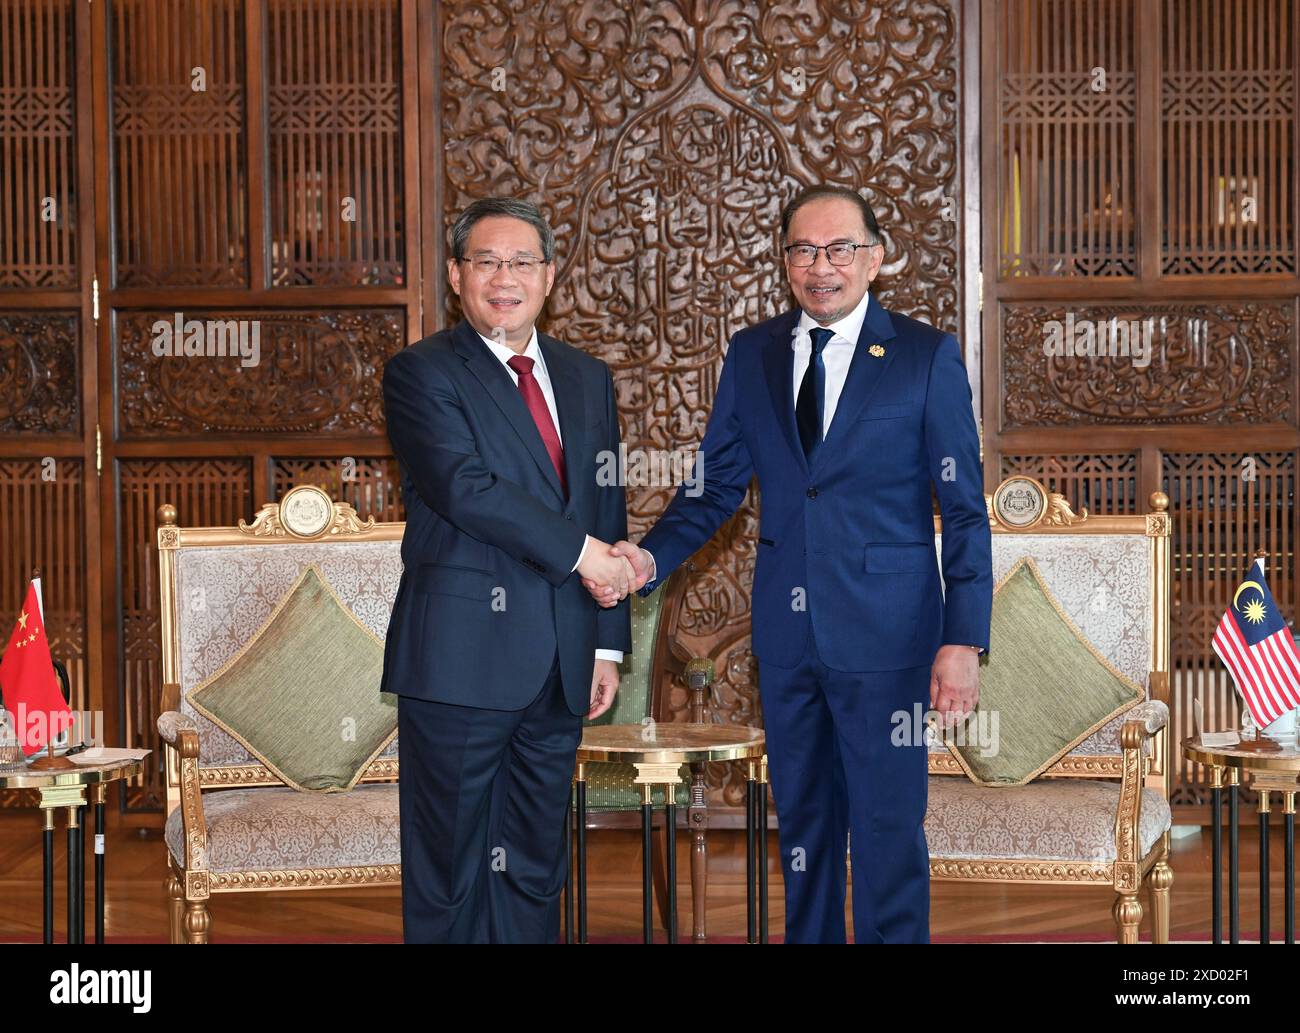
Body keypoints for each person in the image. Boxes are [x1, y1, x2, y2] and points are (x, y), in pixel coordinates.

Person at [586, 185, 992, 943]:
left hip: (893, 638)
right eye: (803, 249)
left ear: (875, 258)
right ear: (784, 261)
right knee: (801, 825)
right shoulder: (754, 354)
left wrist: (963, 639)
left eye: (840, 248)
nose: (821, 266)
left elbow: (964, 511)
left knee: (886, 827)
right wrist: (646, 557)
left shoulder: (925, 356)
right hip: (790, 637)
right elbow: (713, 489)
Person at [382, 197, 636, 943]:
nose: (505, 277)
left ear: (550, 276)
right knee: (450, 867)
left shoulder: (586, 377)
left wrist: (608, 644)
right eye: (486, 261)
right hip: (460, 660)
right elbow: (467, 489)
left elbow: (605, 503)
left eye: (522, 261)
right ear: (457, 275)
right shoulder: (421, 372)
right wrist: (585, 554)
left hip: (562, 657)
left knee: (533, 862)